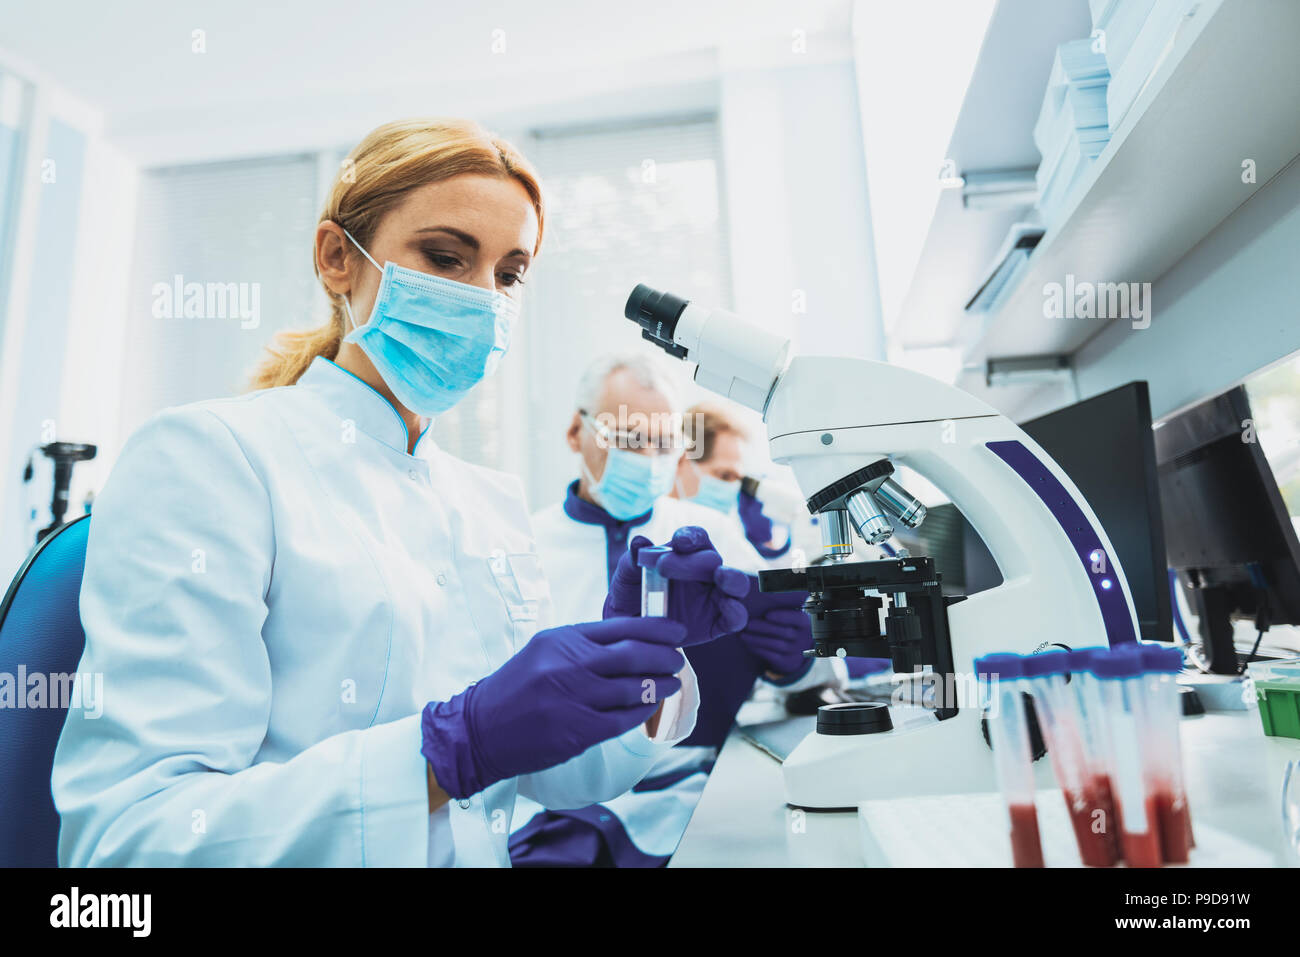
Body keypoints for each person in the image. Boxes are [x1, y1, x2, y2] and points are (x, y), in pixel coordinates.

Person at [50, 118, 751, 868]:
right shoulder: (210, 458)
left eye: (509, 274)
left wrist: (631, 656)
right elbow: (128, 843)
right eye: (446, 257)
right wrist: (445, 752)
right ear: (336, 259)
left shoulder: (487, 500)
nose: (485, 299)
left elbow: (556, 775)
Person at [508, 354, 832, 866]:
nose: (648, 457)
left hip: (684, 787)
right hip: (550, 798)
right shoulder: (520, 545)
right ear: (577, 432)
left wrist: (795, 660)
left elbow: (779, 674)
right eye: (632, 437)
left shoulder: (709, 535)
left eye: (663, 444)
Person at [672, 402, 797, 562]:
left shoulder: (725, 532)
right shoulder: (651, 525)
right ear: (683, 461)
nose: (732, 487)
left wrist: (765, 545)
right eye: (724, 475)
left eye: (738, 479)